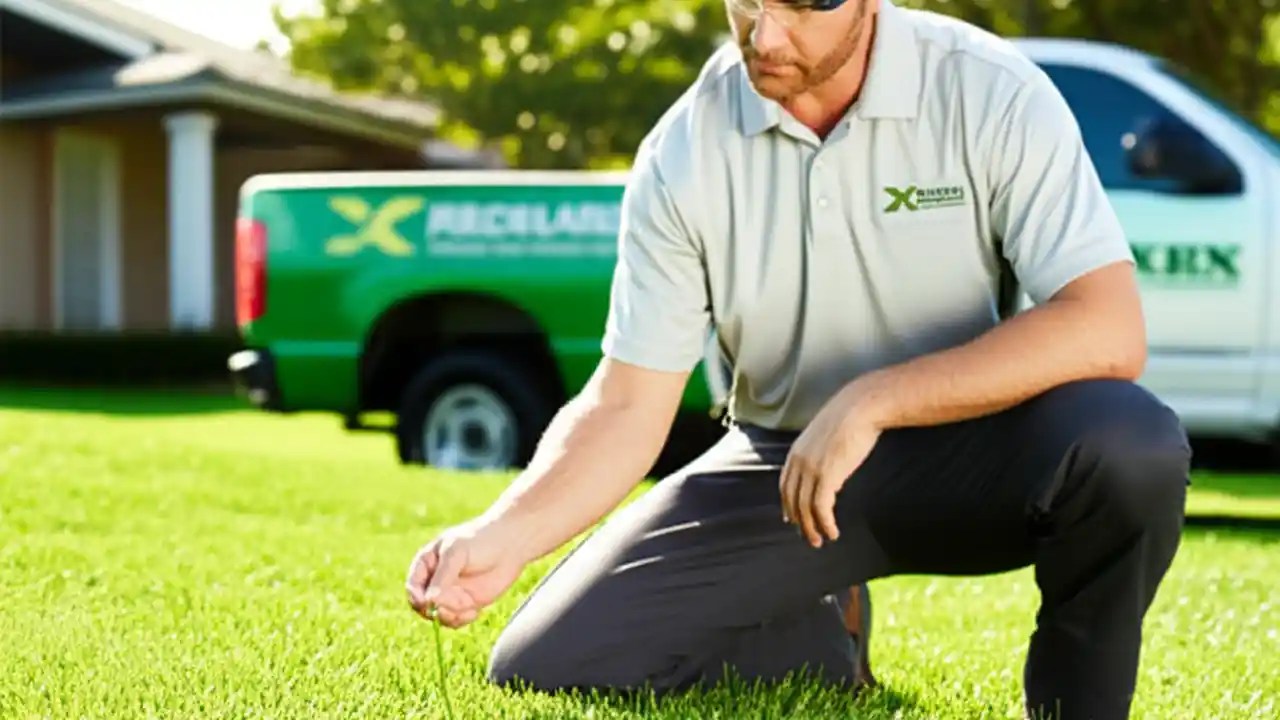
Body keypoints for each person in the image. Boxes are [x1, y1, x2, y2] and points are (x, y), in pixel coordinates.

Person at [404, 1, 1192, 717]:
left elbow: (1105, 326)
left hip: (981, 453)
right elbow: (626, 403)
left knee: (1131, 445)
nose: (765, 35)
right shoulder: (685, 150)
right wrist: (503, 534)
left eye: (801, 7)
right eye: (747, 2)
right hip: (783, 469)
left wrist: (872, 400)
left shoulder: (990, 91)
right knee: (548, 664)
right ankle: (819, 631)